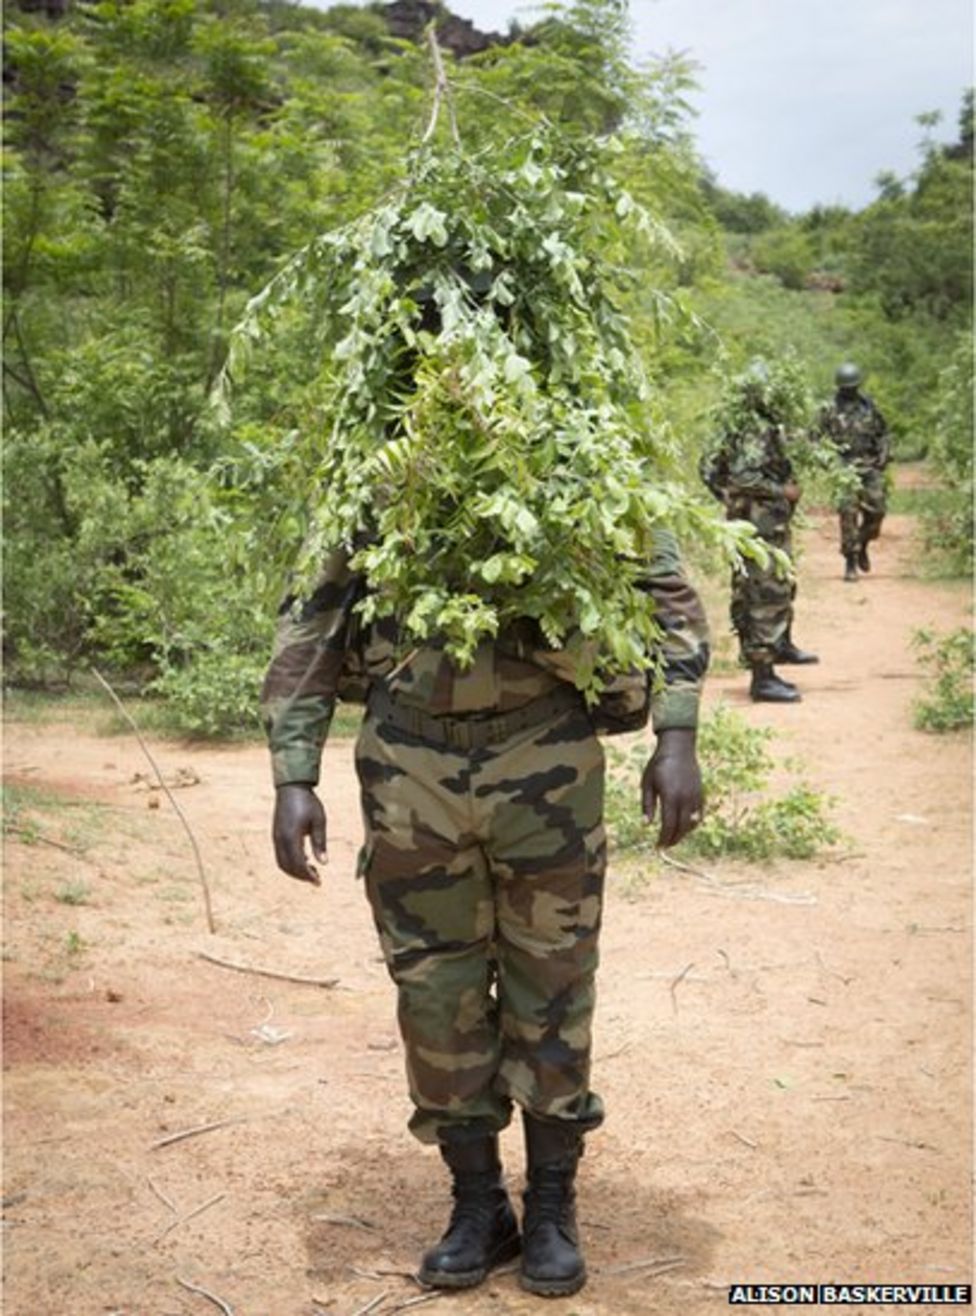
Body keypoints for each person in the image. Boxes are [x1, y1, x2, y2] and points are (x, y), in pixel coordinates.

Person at [261, 530, 709, 1298]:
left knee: (555, 981)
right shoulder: (379, 478)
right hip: (409, 765)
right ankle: (478, 1204)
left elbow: (666, 594)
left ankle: (551, 1205)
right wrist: (293, 776)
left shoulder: (574, 466)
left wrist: (678, 736)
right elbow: (314, 616)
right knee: (434, 991)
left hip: (546, 750)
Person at [700, 362, 818, 705]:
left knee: (765, 587)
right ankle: (762, 677)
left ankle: (777, 648)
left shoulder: (737, 425)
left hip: (756, 524)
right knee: (765, 594)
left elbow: (708, 469)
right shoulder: (753, 429)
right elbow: (742, 476)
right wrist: (781, 491)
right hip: (760, 527)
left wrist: (728, 501)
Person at [815, 362, 891, 582]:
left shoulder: (869, 407)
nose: (849, 392)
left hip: (869, 466)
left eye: (852, 388)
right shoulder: (828, 410)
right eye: (845, 388)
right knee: (848, 514)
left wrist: (884, 454)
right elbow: (815, 439)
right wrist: (828, 461)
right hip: (843, 468)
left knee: (877, 512)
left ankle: (863, 542)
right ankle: (850, 561)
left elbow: (884, 434)